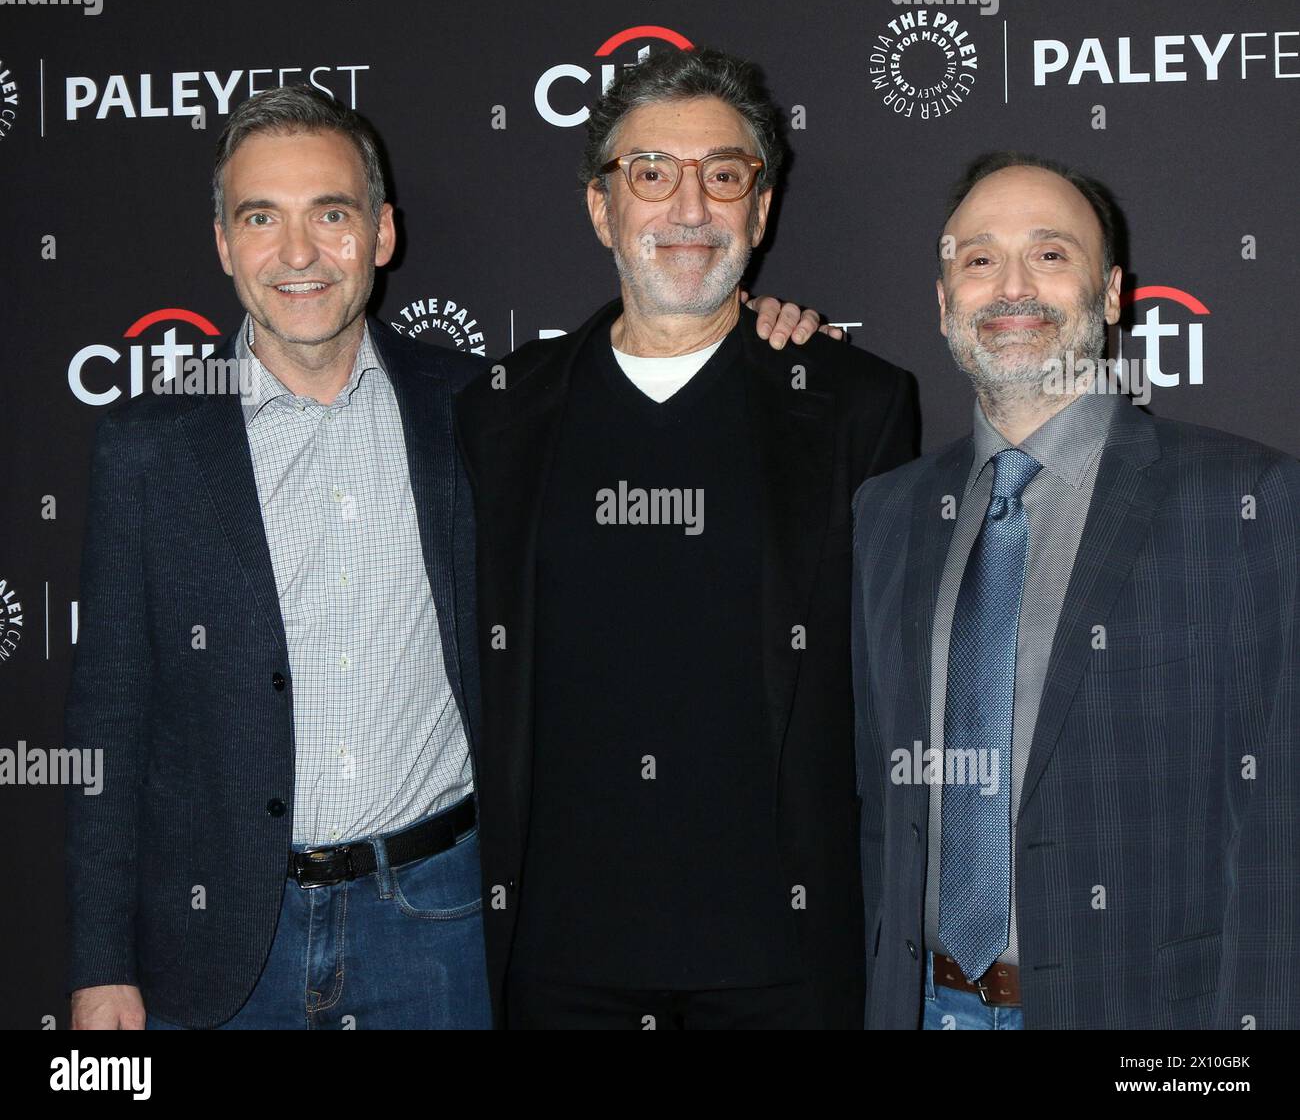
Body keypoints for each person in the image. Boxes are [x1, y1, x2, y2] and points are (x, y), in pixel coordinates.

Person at [63, 82, 840, 1031]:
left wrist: (764, 337)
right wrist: (100, 963)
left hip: (438, 926)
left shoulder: (483, 411)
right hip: (219, 940)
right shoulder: (148, 446)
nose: (299, 254)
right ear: (225, 243)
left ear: (382, 235)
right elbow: (107, 724)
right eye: (262, 218)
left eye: (332, 214)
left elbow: (662, 384)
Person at [455, 48, 920, 1029]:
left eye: (723, 174)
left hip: (781, 963)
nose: (688, 208)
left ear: (760, 208)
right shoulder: (497, 415)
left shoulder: (854, 405)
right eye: (650, 174)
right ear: (600, 208)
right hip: (556, 957)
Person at [852, 151, 1299, 1029]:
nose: (1012, 286)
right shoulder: (888, 513)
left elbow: (1284, 826)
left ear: (1111, 293)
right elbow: (879, 803)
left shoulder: (1249, 500)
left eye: (1051, 255)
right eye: (978, 259)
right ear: (945, 302)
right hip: (926, 1007)